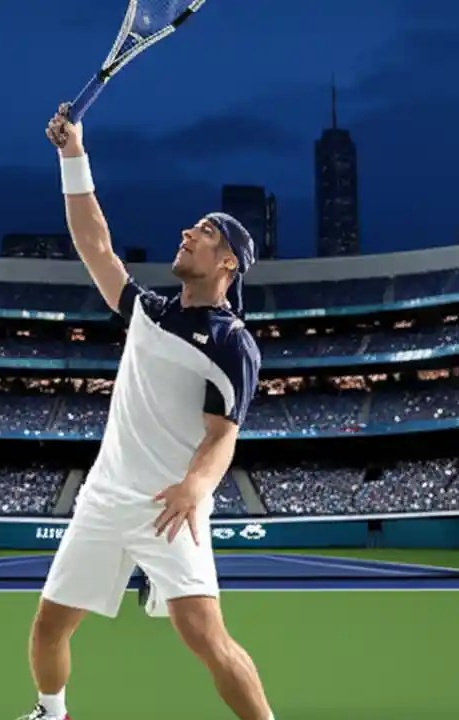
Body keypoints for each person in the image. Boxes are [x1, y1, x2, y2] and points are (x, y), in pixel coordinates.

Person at [15, 104, 275, 720]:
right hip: (105, 498)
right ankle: (52, 713)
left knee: (206, 637)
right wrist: (73, 155)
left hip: (170, 508)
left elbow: (223, 435)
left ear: (229, 262)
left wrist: (194, 488)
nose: (187, 232)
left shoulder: (233, 343)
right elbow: (95, 244)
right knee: (49, 626)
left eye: (204, 231)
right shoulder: (149, 312)